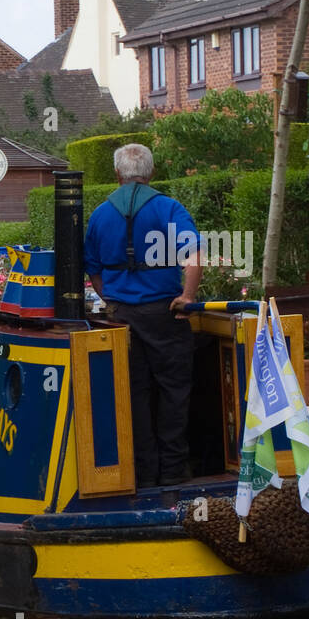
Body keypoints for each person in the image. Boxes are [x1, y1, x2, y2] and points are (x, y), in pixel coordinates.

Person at [83, 143, 202, 488]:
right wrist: (188, 297)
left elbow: (93, 271)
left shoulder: (100, 214)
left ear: (117, 174)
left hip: (122, 319)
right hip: (167, 314)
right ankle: (174, 474)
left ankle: (143, 475)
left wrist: (112, 301)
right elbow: (194, 255)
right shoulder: (169, 208)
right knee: (174, 392)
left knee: (132, 394)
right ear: (151, 174)